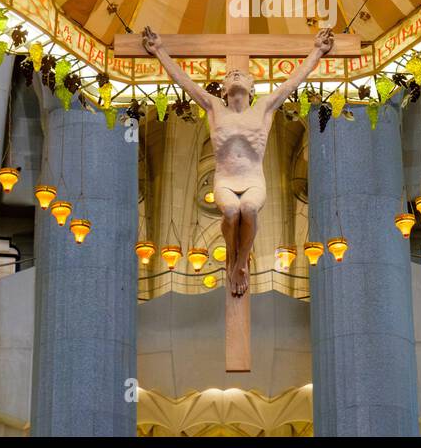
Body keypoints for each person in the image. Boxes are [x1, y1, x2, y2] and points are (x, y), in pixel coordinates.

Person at [141, 26, 334, 296]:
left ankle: (240, 263)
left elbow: (292, 83)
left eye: (240, 74)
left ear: (252, 87)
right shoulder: (213, 107)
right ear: (223, 89)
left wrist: (317, 51)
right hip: (225, 180)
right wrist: (159, 50)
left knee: (250, 209)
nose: (235, 74)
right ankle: (232, 257)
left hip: (253, 179)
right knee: (232, 211)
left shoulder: (264, 107)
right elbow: (184, 81)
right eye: (230, 75)